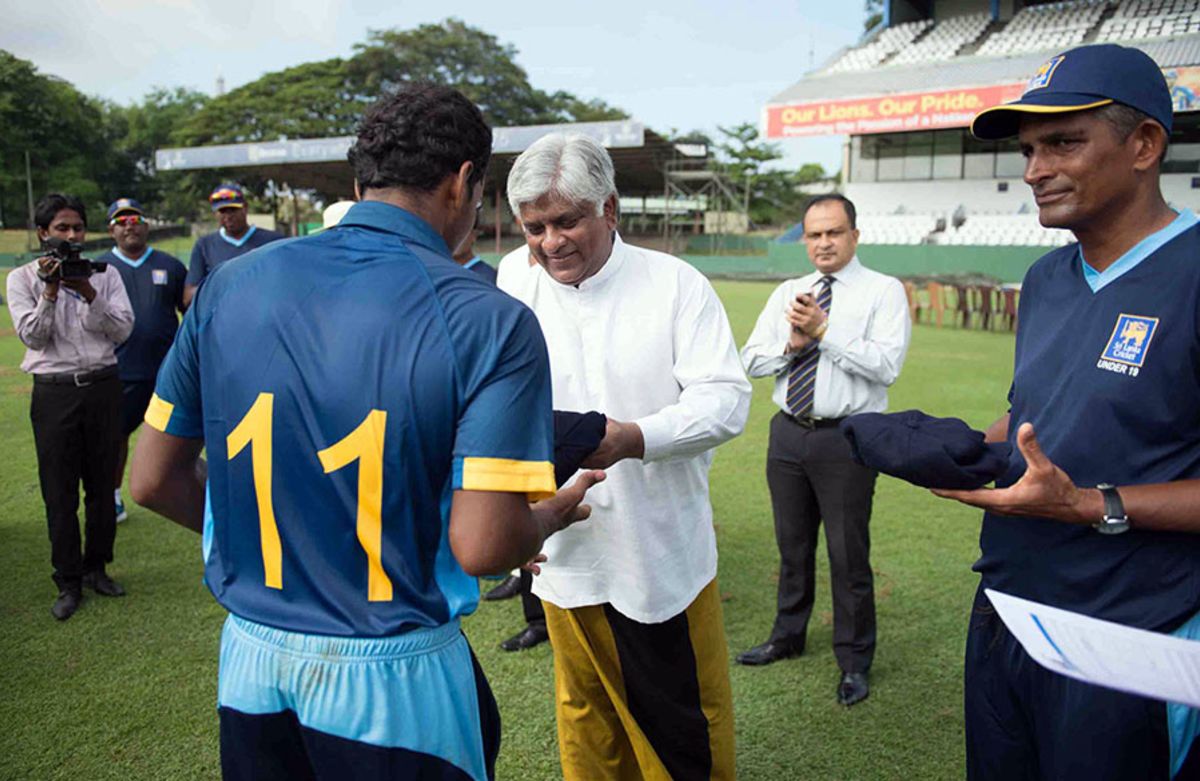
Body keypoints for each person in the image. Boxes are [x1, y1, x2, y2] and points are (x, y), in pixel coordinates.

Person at [129, 85, 602, 781]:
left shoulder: (230, 286)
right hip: (393, 672)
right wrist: (549, 516)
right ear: (466, 181)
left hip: (251, 660)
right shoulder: (489, 319)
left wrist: (295, 541)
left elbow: (150, 479)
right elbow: (484, 545)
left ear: (359, 181)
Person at [934, 44, 1200, 779]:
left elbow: (1080, 487)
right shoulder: (1046, 276)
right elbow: (1032, 417)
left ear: (1144, 143)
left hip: (1130, 637)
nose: (1034, 170)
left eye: (1063, 142)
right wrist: (950, 449)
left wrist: (1089, 504)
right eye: (1027, 150)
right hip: (1005, 611)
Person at [498, 132, 750, 780]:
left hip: (658, 555)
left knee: (685, 728)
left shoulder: (675, 285)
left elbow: (725, 400)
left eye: (567, 220)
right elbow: (492, 410)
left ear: (609, 209)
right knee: (586, 718)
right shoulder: (511, 286)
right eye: (535, 227)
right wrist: (508, 515)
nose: (551, 241)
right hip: (562, 558)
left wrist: (634, 437)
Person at [737, 193, 911, 707]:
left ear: (854, 235)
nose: (823, 243)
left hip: (849, 436)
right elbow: (751, 359)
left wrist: (824, 332)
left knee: (847, 553)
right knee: (792, 548)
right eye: (814, 234)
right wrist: (791, 346)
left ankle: (854, 661)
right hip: (789, 431)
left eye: (834, 232)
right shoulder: (790, 291)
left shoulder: (883, 291)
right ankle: (787, 637)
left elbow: (886, 367)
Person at [5, 193, 135, 621]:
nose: (71, 236)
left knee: (101, 486)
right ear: (43, 233)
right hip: (54, 391)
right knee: (59, 491)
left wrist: (89, 292)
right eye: (61, 228)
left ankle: (98, 568)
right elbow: (33, 337)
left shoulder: (105, 274)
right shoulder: (22, 278)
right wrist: (51, 290)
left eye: (77, 227)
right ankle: (68, 580)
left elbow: (122, 330)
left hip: (102, 385)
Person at [97, 198, 186, 523]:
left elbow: (188, 312)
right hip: (121, 371)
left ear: (146, 225)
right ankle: (113, 496)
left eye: (134, 218)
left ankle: (189, 490)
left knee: (186, 433)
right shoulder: (100, 268)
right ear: (111, 230)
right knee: (114, 436)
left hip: (170, 371)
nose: (129, 225)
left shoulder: (171, 265)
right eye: (121, 221)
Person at [182, 184, 283, 308]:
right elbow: (188, 297)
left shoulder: (273, 241)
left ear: (245, 208)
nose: (228, 216)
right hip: (223, 321)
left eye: (233, 209)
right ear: (215, 214)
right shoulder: (204, 246)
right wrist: (222, 285)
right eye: (222, 211)